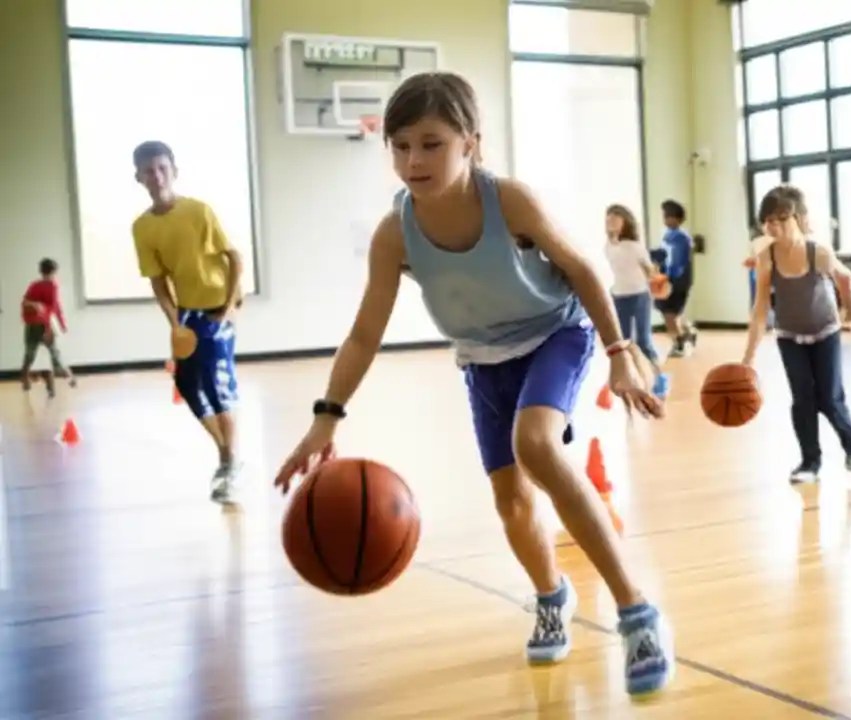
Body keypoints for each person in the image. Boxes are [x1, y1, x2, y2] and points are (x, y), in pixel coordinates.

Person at [272, 72, 674, 697]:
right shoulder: (394, 233)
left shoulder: (510, 201)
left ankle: (637, 613)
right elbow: (363, 334)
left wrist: (621, 352)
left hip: (555, 334)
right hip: (483, 360)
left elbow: (582, 269)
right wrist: (327, 415)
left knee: (536, 445)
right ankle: (551, 595)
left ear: (471, 143)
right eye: (401, 145)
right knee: (512, 503)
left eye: (431, 143)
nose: (413, 160)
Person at [131, 140, 245, 503]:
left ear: (174, 171)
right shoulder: (142, 228)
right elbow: (158, 280)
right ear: (139, 177)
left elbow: (234, 257)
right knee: (186, 381)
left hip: (216, 309)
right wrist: (174, 322)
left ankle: (230, 464)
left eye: (163, 168)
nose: (157, 175)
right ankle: (227, 454)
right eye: (149, 170)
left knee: (215, 384)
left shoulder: (198, 212)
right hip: (189, 314)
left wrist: (228, 306)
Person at [742, 184, 851, 483]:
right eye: (768, 220)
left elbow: (846, 277)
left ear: (798, 219)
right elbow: (761, 307)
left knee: (829, 397)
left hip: (825, 332)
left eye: (781, 219)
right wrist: (748, 356)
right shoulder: (766, 256)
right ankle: (810, 461)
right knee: (802, 398)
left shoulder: (818, 252)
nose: (774, 226)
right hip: (789, 335)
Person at [603, 204, 668, 397]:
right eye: (608, 219)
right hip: (619, 296)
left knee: (643, 341)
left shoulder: (635, 247)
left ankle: (659, 380)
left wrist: (659, 284)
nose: (610, 222)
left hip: (639, 296)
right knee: (621, 344)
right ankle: (629, 382)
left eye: (615, 219)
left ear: (626, 222)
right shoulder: (608, 247)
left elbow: (650, 273)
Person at [20, 257, 76, 396]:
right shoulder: (52, 286)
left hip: (32, 324)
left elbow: (26, 302)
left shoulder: (34, 285)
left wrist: (60, 323)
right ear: (54, 271)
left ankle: (26, 378)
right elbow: (53, 308)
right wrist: (52, 327)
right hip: (42, 325)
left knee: (30, 354)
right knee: (54, 354)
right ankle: (69, 378)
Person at [654, 199, 697, 357]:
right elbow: (664, 256)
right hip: (669, 280)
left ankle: (679, 343)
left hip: (677, 282)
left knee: (669, 314)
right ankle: (688, 333)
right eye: (665, 215)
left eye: (669, 216)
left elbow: (677, 262)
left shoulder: (680, 237)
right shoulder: (667, 235)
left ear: (678, 218)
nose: (665, 219)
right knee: (672, 313)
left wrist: (668, 279)